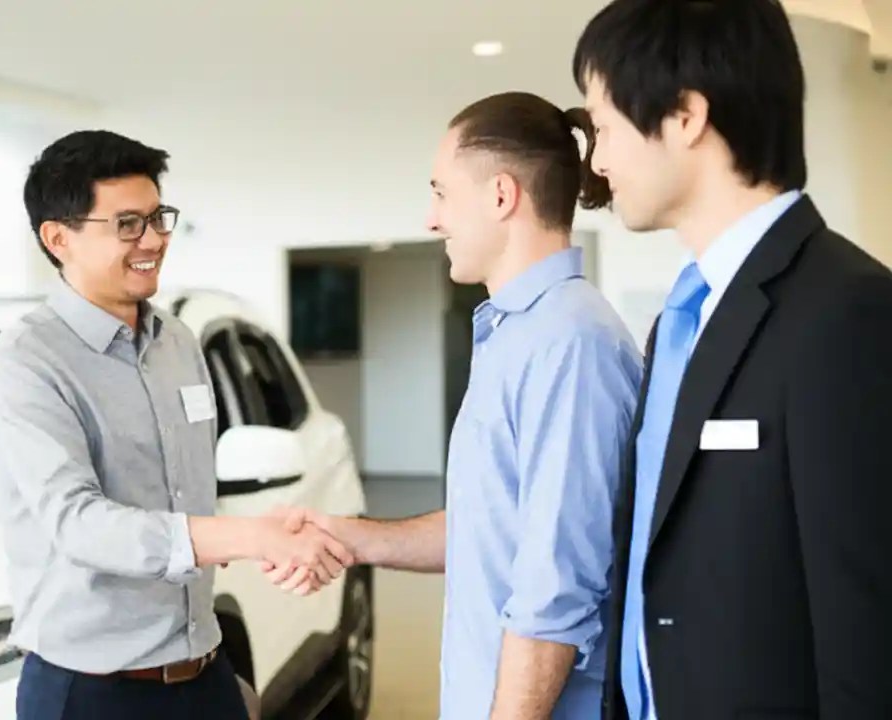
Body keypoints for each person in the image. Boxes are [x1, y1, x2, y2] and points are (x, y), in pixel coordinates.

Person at [267, 92, 643, 719]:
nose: (431, 218)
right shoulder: (517, 334)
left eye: (441, 192)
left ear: (501, 196)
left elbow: (556, 592)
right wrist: (355, 538)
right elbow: (495, 526)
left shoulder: (571, 344)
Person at [572, 1, 892, 718]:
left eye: (603, 126)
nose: (597, 159)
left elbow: (869, 637)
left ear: (685, 116)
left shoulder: (848, 313)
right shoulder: (680, 322)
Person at [0, 129, 352, 720]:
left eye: (158, 218)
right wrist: (248, 538)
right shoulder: (24, 363)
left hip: (205, 670)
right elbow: (80, 524)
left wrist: (265, 537)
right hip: (93, 692)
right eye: (128, 224)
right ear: (58, 238)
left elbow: (187, 494)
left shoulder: (177, 341)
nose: (153, 240)